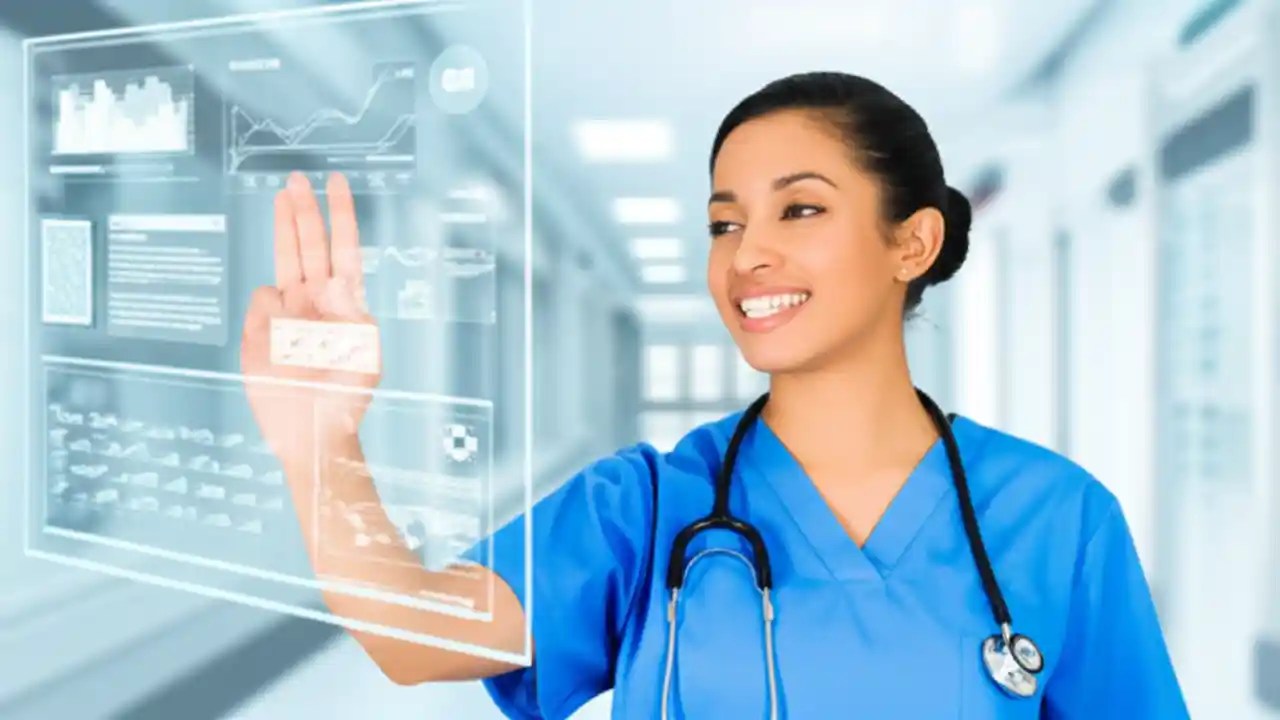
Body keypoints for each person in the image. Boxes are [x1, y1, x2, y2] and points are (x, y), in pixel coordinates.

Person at [240, 71, 1190, 719]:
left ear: (915, 243)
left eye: (800, 209)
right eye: (723, 222)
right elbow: (413, 637)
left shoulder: (1058, 518)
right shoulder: (650, 509)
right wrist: (322, 447)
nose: (747, 255)